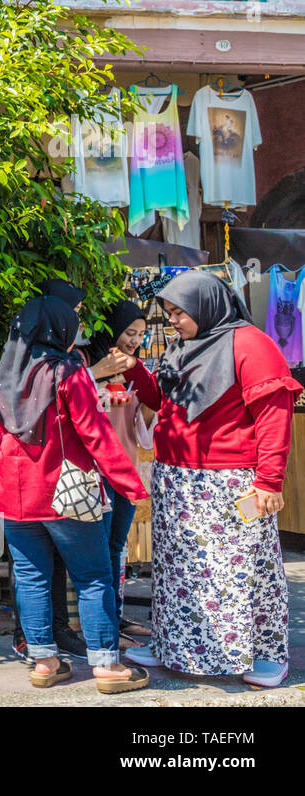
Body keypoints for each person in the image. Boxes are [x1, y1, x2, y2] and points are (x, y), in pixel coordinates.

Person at [119, 271, 300, 687]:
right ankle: (173, 646)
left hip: (231, 482)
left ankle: (264, 654)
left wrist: (269, 481)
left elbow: (274, 415)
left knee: (245, 571)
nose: (174, 321)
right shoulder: (185, 347)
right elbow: (164, 401)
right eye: (169, 313)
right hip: (178, 479)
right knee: (180, 571)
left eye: (179, 312)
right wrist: (134, 371)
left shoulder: (251, 344)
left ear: (207, 305)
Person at [0, 296, 151, 693]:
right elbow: (96, 433)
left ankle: (45, 663)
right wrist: (129, 483)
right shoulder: (68, 373)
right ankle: (107, 668)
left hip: (13, 497)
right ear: (57, 331)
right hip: (65, 494)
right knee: (93, 577)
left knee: (31, 576)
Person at [9, 278, 89, 662]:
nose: (76, 321)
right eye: (71, 313)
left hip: (38, 487)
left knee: (45, 568)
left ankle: (50, 643)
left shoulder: (67, 362)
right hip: (39, 485)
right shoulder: (21, 367)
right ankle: (32, 638)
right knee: (50, 572)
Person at [82, 298, 154, 645]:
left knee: (116, 549)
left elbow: (153, 407)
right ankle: (101, 625)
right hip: (93, 476)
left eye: (140, 334)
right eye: (129, 332)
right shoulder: (83, 364)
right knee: (97, 552)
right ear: (111, 329)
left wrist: (135, 372)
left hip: (125, 472)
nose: (134, 341)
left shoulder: (135, 370)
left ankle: (115, 615)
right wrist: (98, 372)